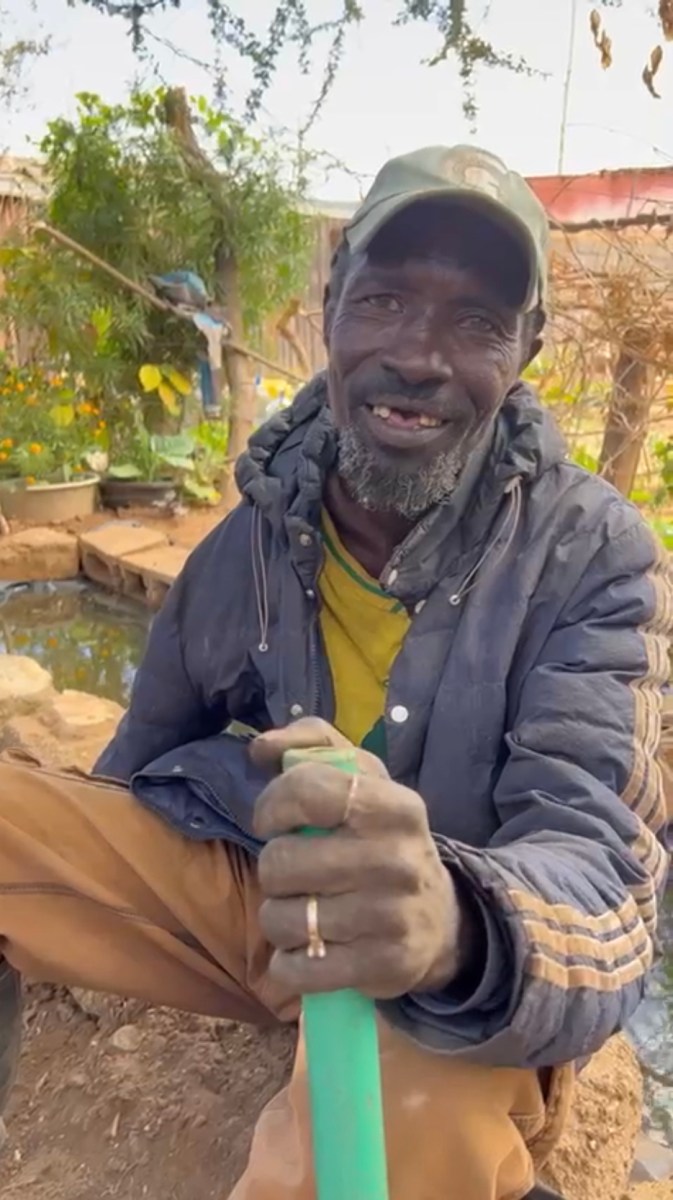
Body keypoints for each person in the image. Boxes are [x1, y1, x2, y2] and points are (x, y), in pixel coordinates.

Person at [0, 145, 670, 1200]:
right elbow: (131, 776)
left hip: (456, 981)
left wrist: (452, 922)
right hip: (273, 911)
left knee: (401, 1117)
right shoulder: (256, 538)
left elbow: (605, 880)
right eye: (386, 300)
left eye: (475, 321)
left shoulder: (592, 557)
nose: (418, 356)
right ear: (331, 307)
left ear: (527, 348)